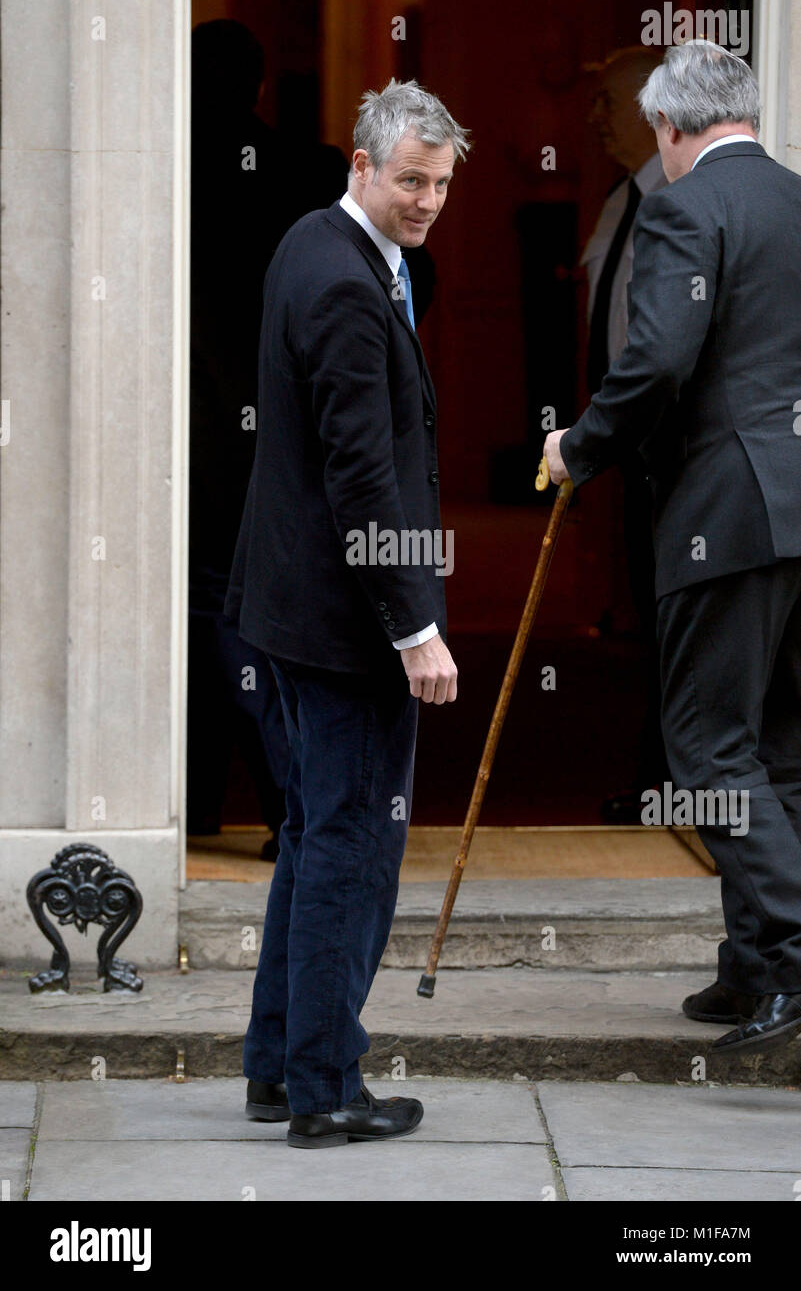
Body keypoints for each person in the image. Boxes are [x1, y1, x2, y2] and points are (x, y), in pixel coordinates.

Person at [224, 78, 470, 1144]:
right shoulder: (342, 277)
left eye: (441, 184)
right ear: (361, 166)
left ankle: (282, 1066)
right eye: (409, 179)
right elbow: (362, 472)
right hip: (344, 621)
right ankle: (326, 1086)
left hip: (294, 607)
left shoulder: (316, 245)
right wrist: (415, 628)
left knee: (317, 834)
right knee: (352, 847)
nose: (425, 202)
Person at [544, 39, 801, 1054]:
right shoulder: (795, 198)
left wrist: (580, 446)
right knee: (781, 747)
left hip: (725, 511)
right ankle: (751, 970)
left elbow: (654, 361)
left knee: (708, 746)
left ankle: (784, 957)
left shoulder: (684, 204)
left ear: (668, 127)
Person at [189, 19, 349, 855]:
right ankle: (290, 810)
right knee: (248, 618)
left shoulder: (158, 168)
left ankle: (265, 808)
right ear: (258, 83)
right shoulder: (306, 172)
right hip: (285, 432)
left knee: (213, 615)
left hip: (189, 435)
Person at [583, 47, 670, 823]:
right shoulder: (621, 199)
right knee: (643, 607)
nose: (595, 121)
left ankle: (668, 784)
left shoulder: (684, 205)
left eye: (609, 105)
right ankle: (654, 779)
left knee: (673, 613)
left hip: (669, 449)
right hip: (626, 444)